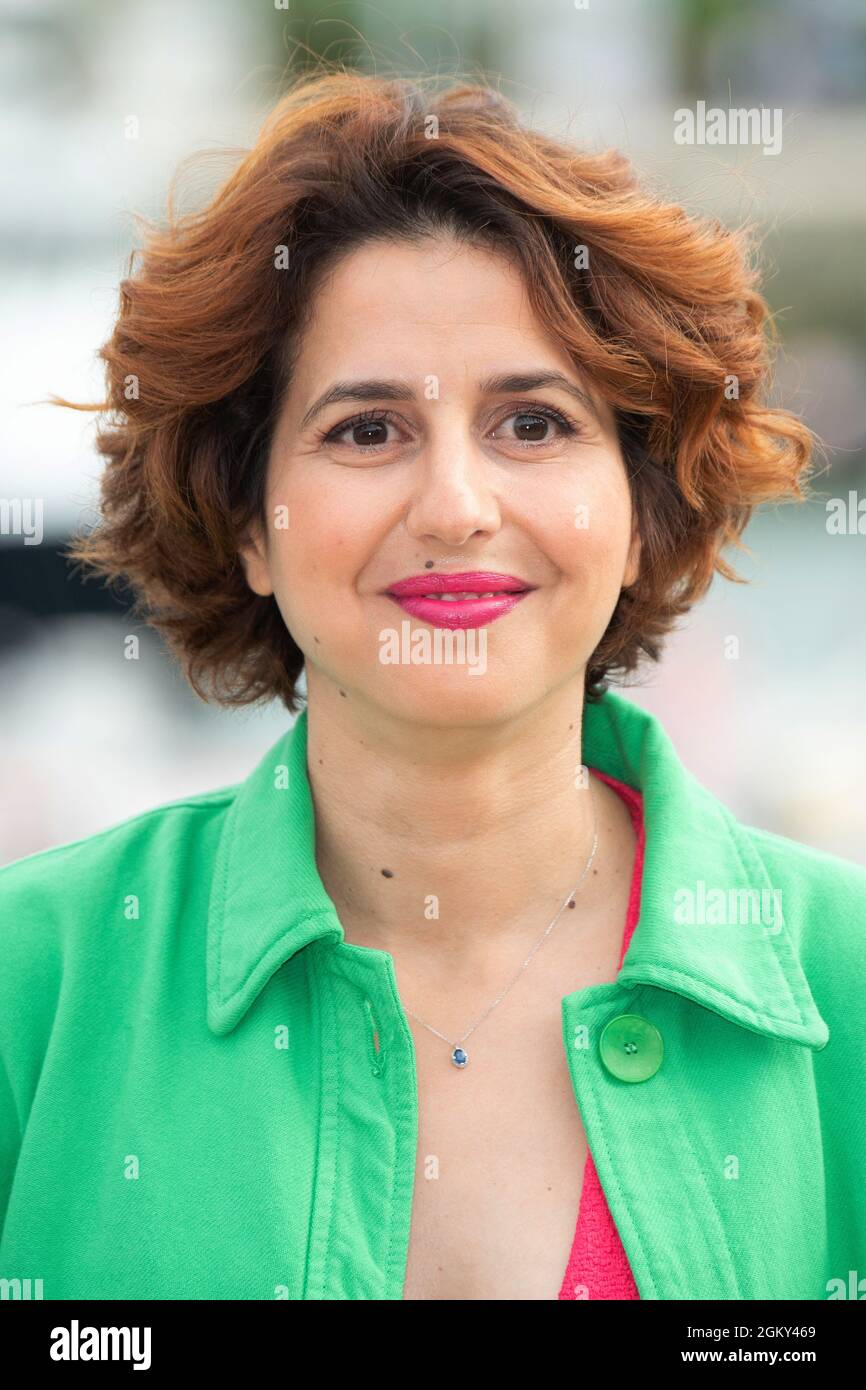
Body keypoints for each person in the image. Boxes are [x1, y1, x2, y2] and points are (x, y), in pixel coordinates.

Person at [1, 69, 864, 1302]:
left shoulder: (847, 977)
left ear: (637, 514)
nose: (455, 507)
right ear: (247, 521)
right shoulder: (34, 979)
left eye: (531, 425)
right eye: (365, 431)